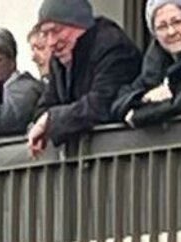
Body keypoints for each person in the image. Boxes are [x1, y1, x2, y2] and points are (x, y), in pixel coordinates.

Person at [26, 0, 140, 156]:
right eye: (45, 34)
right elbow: (44, 108)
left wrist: (50, 120)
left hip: (125, 154)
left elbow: (102, 104)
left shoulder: (113, 46)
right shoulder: (58, 61)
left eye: (56, 30)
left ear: (79, 23)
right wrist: (45, 123)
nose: (51, 42)